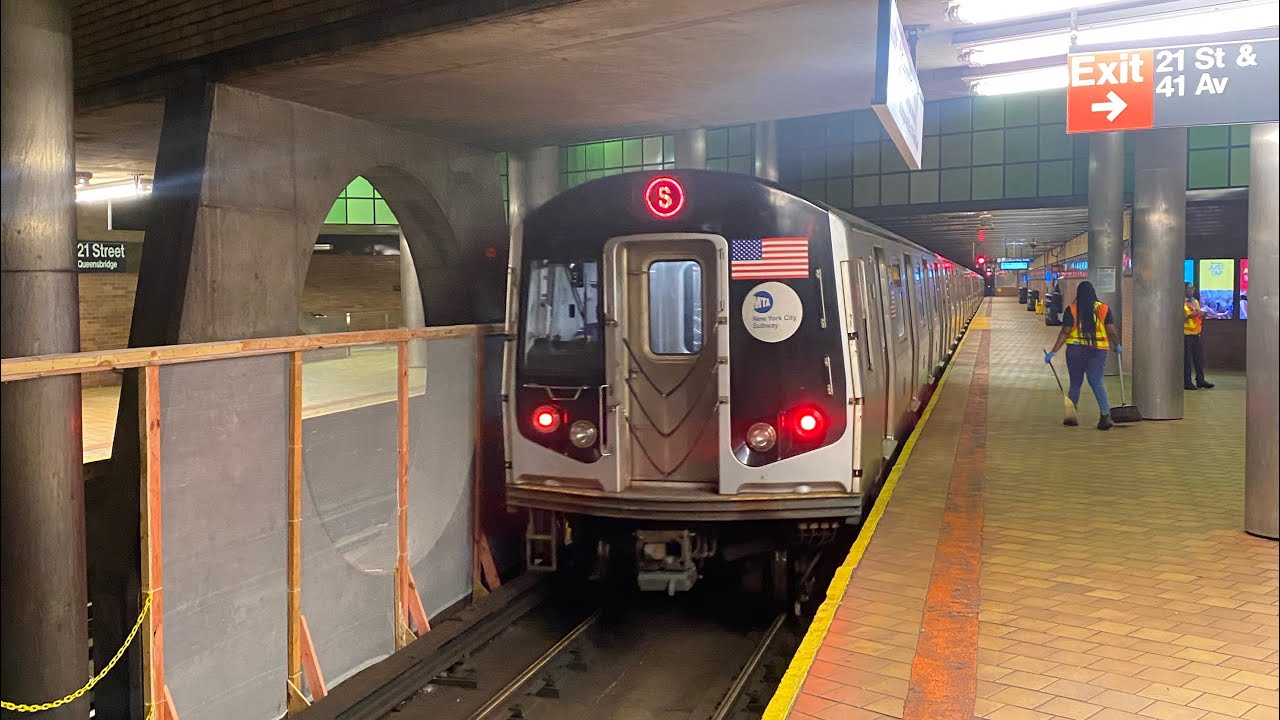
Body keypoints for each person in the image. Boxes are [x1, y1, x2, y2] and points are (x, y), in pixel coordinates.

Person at [1044, 281, 1121, 430]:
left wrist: (1053, 352)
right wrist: (1116, 344)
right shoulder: (1103, 309)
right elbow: (1111, 330)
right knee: (1097, 382)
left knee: (1075, 383)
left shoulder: (1072, 309)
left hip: (1075, 351)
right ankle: (1105, 415)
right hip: (1097, 351)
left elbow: (1065, 332)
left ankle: (1071, 417)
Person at [1184, 282, 1214, 390]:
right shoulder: (1181, 303)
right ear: (1184, 290)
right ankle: (1187, 382)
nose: (1192, 290)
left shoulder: (1195, 301)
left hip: (1196, 334)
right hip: (1186, 335)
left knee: (1199, 358)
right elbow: (1183, 317)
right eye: (1189, 288)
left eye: (1193, 288)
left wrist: (1202, 314)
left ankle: (1200, 380)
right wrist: (1194, 314)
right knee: (1187, 360)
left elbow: (1198, 315)